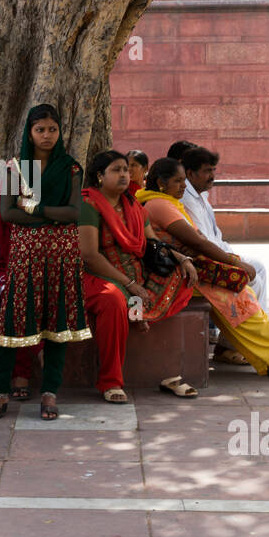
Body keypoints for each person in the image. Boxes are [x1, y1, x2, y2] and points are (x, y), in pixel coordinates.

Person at [139, 158, 269, 377]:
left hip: (188, 270)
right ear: (161, 183)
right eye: (177, 181)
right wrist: (236, 263)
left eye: (184, 181)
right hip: (176, 275)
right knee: (235, 296)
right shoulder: (159, 204)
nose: (183, 186)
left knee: (240, 295)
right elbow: (197, 242)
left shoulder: (164, 202)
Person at [0, 104, 91, 422]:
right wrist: (49, 213)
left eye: (52, 129)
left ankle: (50, 393)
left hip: (62, 258)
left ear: (60, 132)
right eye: (40, 129)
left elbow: (74, 213)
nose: (47, 135)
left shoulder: (71, 168)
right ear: (29, 134)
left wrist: (32, 208)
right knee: (13, 324)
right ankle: (0, 391)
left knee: (58, 326)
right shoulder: (15, 168)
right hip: (24, 259)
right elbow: (7, 213)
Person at [80, 151, 197, 402]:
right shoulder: (89, 205)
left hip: (133, 273)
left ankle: (139, 313)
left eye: (126, 169)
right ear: (100, 176)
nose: (124, 174)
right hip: (94, 275)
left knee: (182, 275)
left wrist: (183, 259)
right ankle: (110, 382)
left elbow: (153, 243)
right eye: (116, 170)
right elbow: (89, 256)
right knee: (113, 300)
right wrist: (130, 284)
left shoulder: (133, 205)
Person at [178, 146, 269, 365]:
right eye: (207, 171)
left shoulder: (200, 196)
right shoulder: (187, 199)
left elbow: (215, 237)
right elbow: (203, 242)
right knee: (251, 276)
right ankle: (233, 345)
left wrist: (234, 257)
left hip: (218, 253)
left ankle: (235, 343)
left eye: (213, 170)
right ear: (190, 174)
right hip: (201, 262)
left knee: (256, 267)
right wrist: (233, 262)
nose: (212, 176)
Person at [0, 197, 41, 399]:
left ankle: (20, 374)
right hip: (1, 272)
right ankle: (34, 359)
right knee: (15, 295)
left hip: (33, 272)